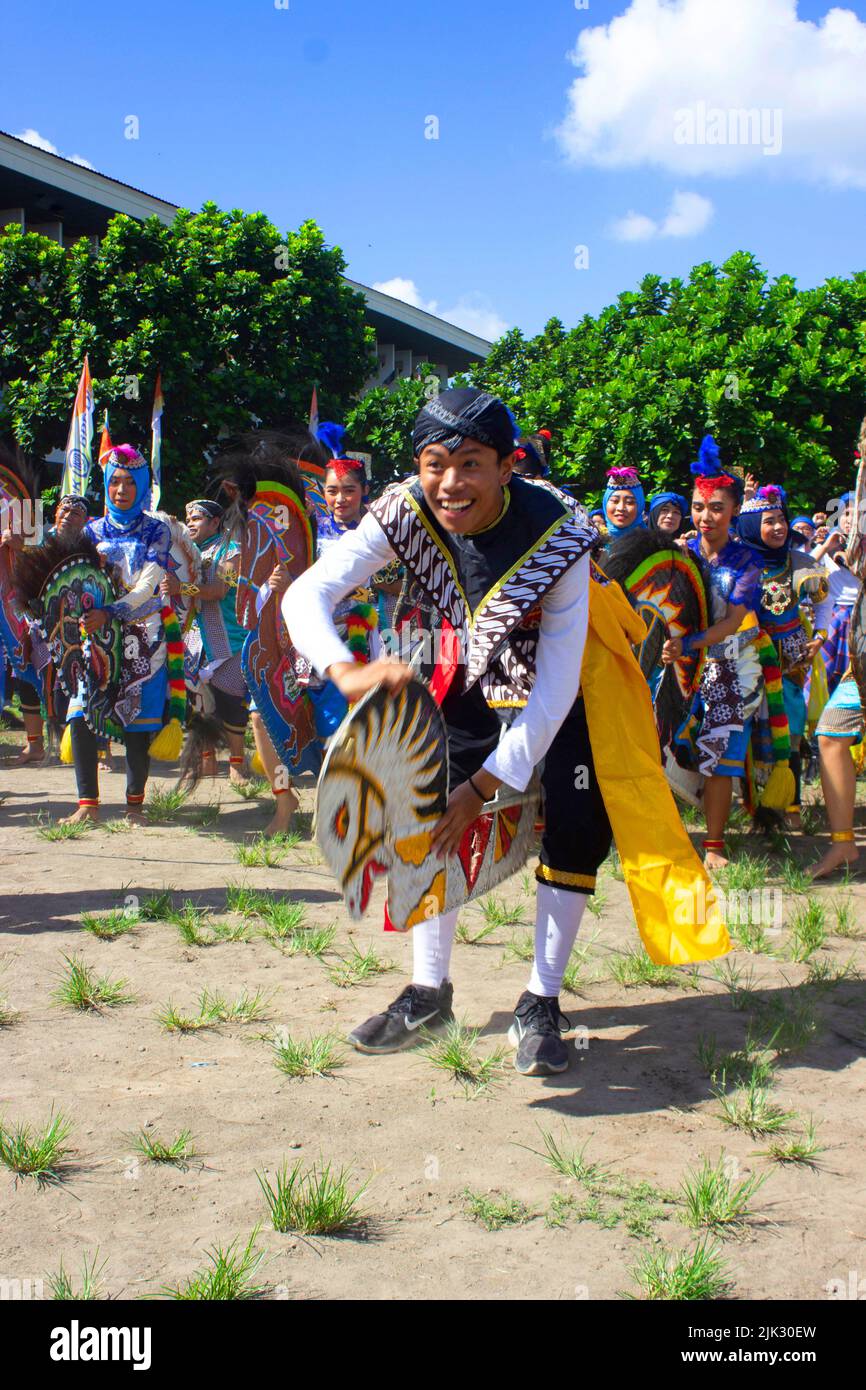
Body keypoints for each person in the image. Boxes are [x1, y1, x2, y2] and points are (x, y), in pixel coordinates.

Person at [285, 388, 727, 1077]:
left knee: (578, 822)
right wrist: (343, 671)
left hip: (572, 676)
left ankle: (541, 1002)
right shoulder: (402, 508)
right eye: (434, 464)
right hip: (466, 664)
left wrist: (489, 784)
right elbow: (303, 594)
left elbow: (552, 687)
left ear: (506, 466)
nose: (450, 483)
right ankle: (429, 994)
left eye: (470, 464)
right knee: (425, 805)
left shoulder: (558, 534)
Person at [662, 437, 767, 869]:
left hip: (730, 668)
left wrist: (688, 643)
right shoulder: (680, 554)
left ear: (734, 510)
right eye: (699, 507)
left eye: (716, 508)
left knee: (722, 756)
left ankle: (715, 845)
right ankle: (665, 837)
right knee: (662, 746)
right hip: (680, 665)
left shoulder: (747, 562)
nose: (706, 516)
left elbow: (731, 621)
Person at [61, 445, 176, 824]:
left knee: (137, 726)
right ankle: (87, 805)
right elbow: (75, 580)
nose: (121, 490)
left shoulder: (157, 531)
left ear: (142, 485)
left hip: (143, 635)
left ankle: (134, 806)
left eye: (129, 482)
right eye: (114, 482)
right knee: (80, 713)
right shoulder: (91, 530)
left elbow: (147, 588)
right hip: (96, 637)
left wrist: (110, 611)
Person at [736, 486, 828, 830]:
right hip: (747, 654)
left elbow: (823, 601)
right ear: (749, 527)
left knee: (787, 723)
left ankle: (791, 806)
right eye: (768, 521)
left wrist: (819, 636)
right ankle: (754, 807)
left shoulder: (800, 561)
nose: (778, 527)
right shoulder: (737, 562)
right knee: (748, 725)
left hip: (790, 656)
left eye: (781, 520)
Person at [170, 499, 251, 786]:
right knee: (198, 700)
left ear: (216, 522)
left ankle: (237, 764)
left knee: (230, 698)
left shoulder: (232, 550)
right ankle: (206, 760)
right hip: (194, 637)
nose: (190, 523)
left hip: (228, 637)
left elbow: (219, 590)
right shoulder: (186, 552)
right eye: (187, 518)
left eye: (197, 518)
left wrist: (183, 587)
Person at [602, 467, 645, 542]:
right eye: (615, 501)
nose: (621, 508)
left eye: (629, 502)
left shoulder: (652, 546)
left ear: (640, 506)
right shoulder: (592, 544)